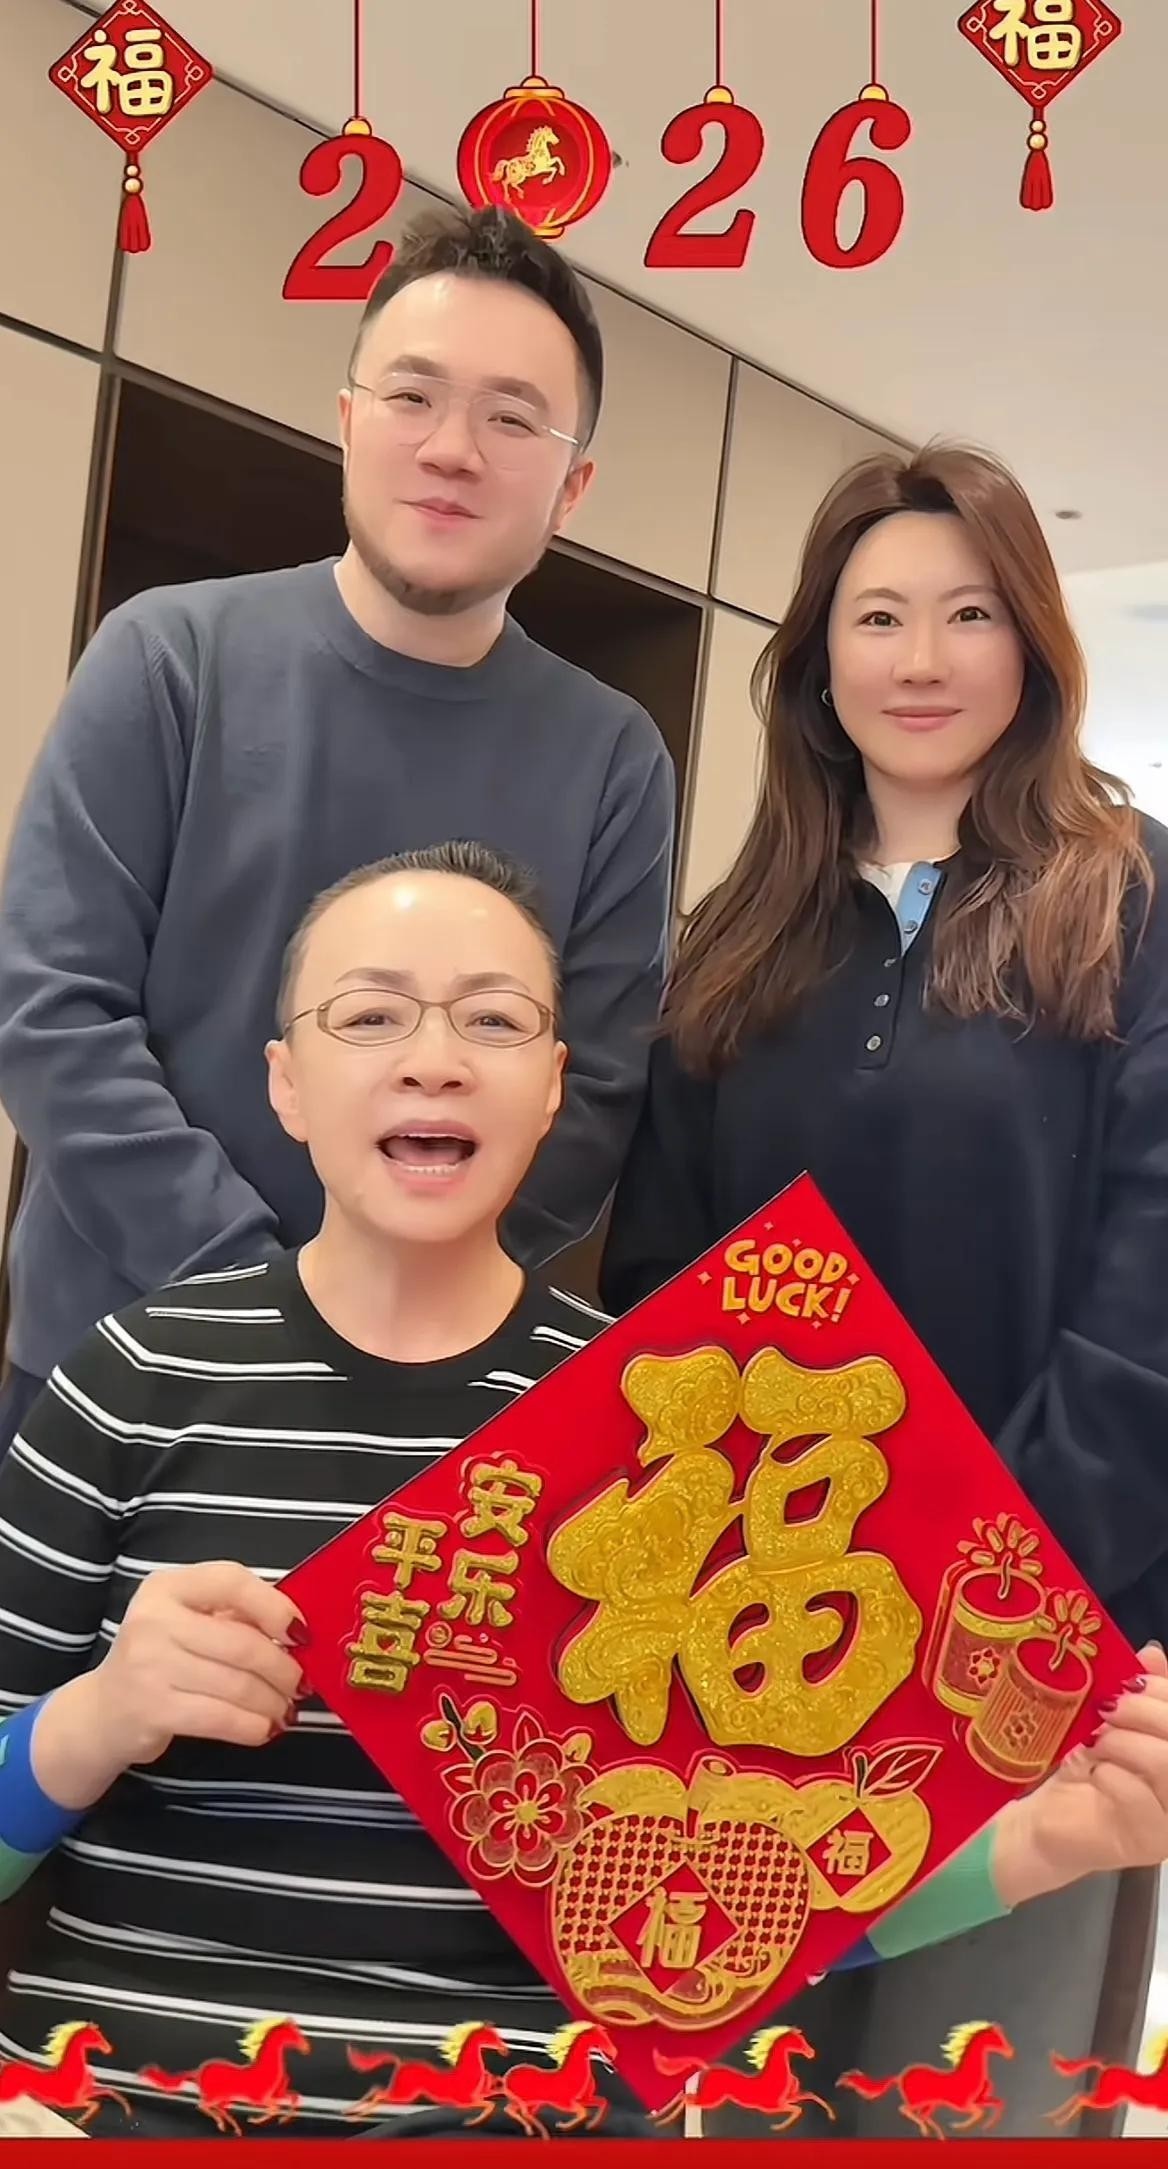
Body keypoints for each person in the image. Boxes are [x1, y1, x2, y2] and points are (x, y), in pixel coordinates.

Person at [2, 842, 1168, 2141]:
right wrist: (96, 1716)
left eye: (493, 1021)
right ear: (287, 1080)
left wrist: (1050, 1843)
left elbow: (748, 1895)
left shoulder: (675, 1424)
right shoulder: (133, 1380)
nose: (434, 1059)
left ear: (555, 1084)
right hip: (117, 2104)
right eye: (372, 1016)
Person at [600, 440, 1168, 2130]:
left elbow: (1149, 1293)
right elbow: (660, 1289)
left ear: (1032, 644)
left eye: (969, 613)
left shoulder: (1131, 899)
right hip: (756, 1643)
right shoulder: (742, 928)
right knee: (738, 2087)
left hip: (1034, 1648)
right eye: (877, 617)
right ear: (816, 657)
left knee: (963, 2097)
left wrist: (982, 1586)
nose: (921, 660)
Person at [0, 201, 674, 1454]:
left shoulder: (614, 758)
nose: (452, 450)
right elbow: (53, 1012)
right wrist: (272, 1304)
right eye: (412, 397)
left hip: (417, 1418)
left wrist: (398, 1314)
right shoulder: (168, 659)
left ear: (571, 486)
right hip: (114, 1373)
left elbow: (590, 1093)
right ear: (349, 419)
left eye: (511, 418)